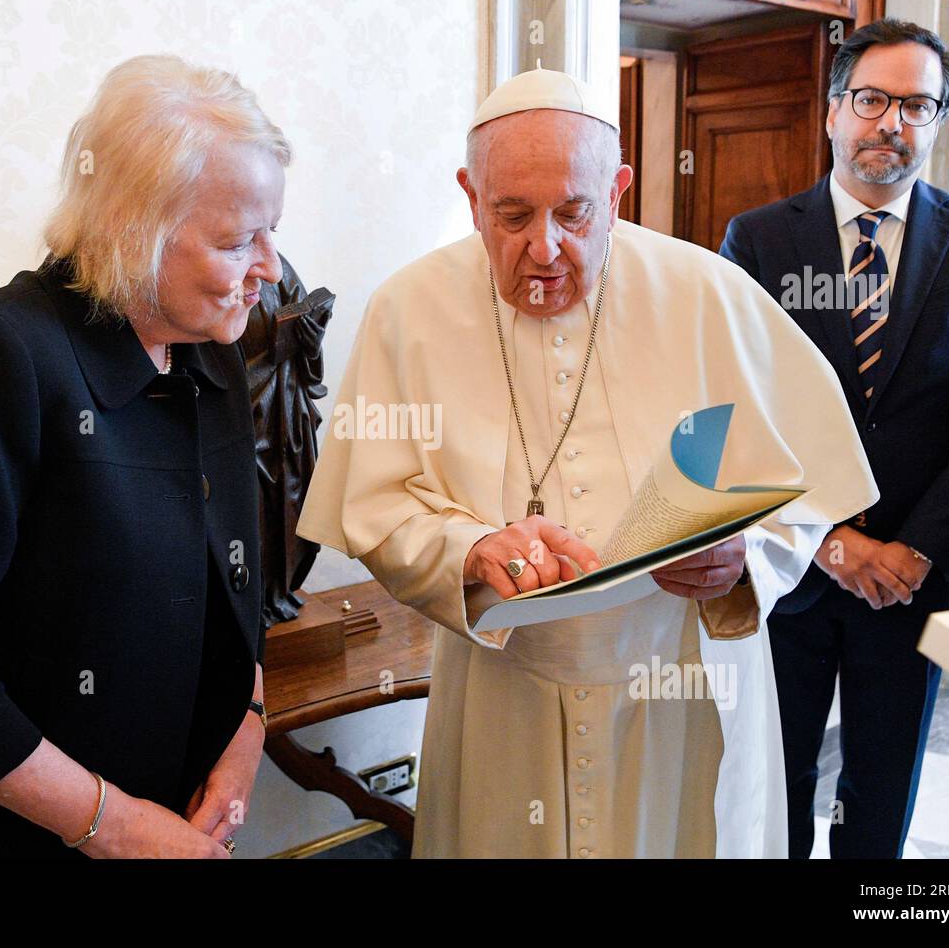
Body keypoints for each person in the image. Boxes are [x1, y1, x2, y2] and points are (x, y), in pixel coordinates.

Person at [297, 67, 879, 857]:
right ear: (471, 195)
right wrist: (468, 549)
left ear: (618, 192)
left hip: (675, 677)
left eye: (574, 213)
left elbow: (804, 483)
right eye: (511, 215)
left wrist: (746, 559)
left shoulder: (707, 293)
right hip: (505, 685)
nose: (544, 247)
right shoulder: (411, 309)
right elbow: (376, 502)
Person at [0, 54, 289, 858]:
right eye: (239, 239)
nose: (269, 271)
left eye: (272, 232)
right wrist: (117, 827)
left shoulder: (209, 355)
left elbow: (235, 593)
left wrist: (243, 735)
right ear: (135, 231)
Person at [720, 19, 949, 858]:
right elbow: (735, 413)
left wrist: (910, 553)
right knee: (776, 779)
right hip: (789, 568)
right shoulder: (757, 240)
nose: (890, 122)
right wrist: (828, 541)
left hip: (917, 578)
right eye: (871, 98)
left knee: (883, 786)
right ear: (832, 110)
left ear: (935, 123)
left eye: (916, 105)